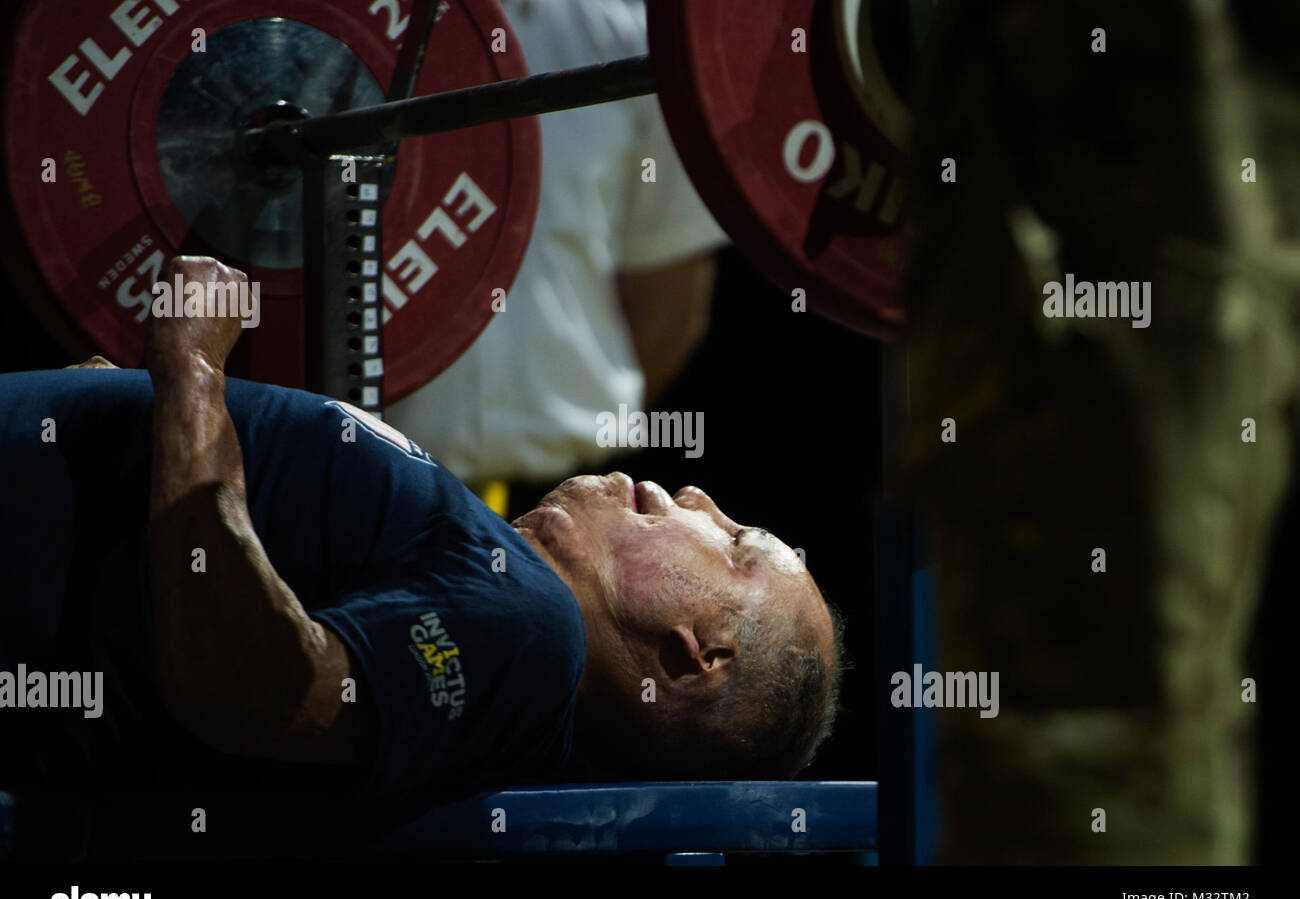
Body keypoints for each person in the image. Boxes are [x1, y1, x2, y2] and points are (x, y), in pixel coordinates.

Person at [0, 258, 842, 826]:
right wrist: (137, 427)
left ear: (700, 655)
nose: (689, 495)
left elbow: (260, 688)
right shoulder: (507, 601)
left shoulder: (535, 637)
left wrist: (191, 366)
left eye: (736, 542)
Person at [386, 0, 729, 513]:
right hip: (365, 492)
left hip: (570, 503)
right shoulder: (323, 24)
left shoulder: (627, 33)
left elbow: (669, 300)